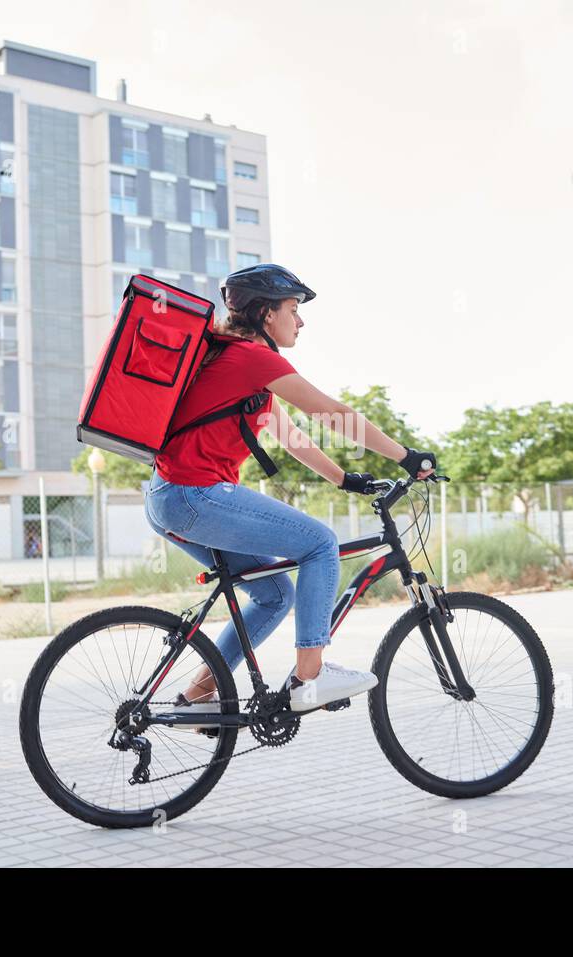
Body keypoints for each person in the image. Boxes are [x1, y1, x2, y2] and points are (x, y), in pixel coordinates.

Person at [143, 263, 436, 721]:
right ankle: (309, 678)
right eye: (293, 309)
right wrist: (405, 456)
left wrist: (343, 478)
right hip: (195, 495)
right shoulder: (255, 360)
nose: (300, 321)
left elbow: (289, 433)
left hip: (168, 499)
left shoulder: (236, 360)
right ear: (266, 315)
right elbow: (332, 413)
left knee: (276, 594)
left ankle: (199, 693)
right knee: (320, 544)